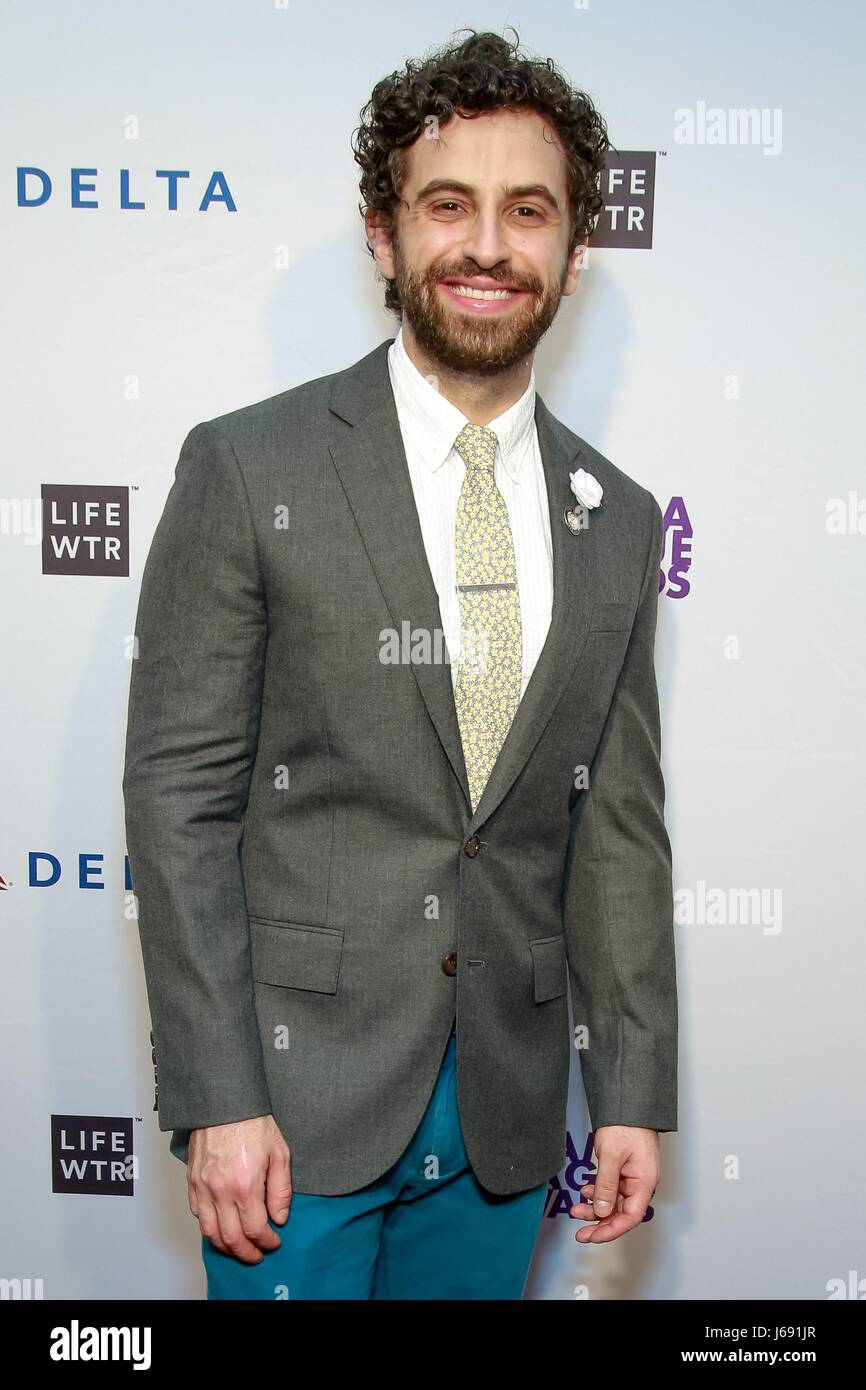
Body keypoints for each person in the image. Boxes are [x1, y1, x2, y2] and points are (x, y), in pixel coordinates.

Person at [122, 27, 677, 1301]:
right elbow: (179, 802)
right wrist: (217, 1095)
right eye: (448, 206)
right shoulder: (250, 469)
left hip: (504, 1112)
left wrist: (634, 1091)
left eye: (526, 211)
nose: (488, 245)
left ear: (574, 252)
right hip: (290, 1109)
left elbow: (618, 830)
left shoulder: (620, 516)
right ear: (383, 233)